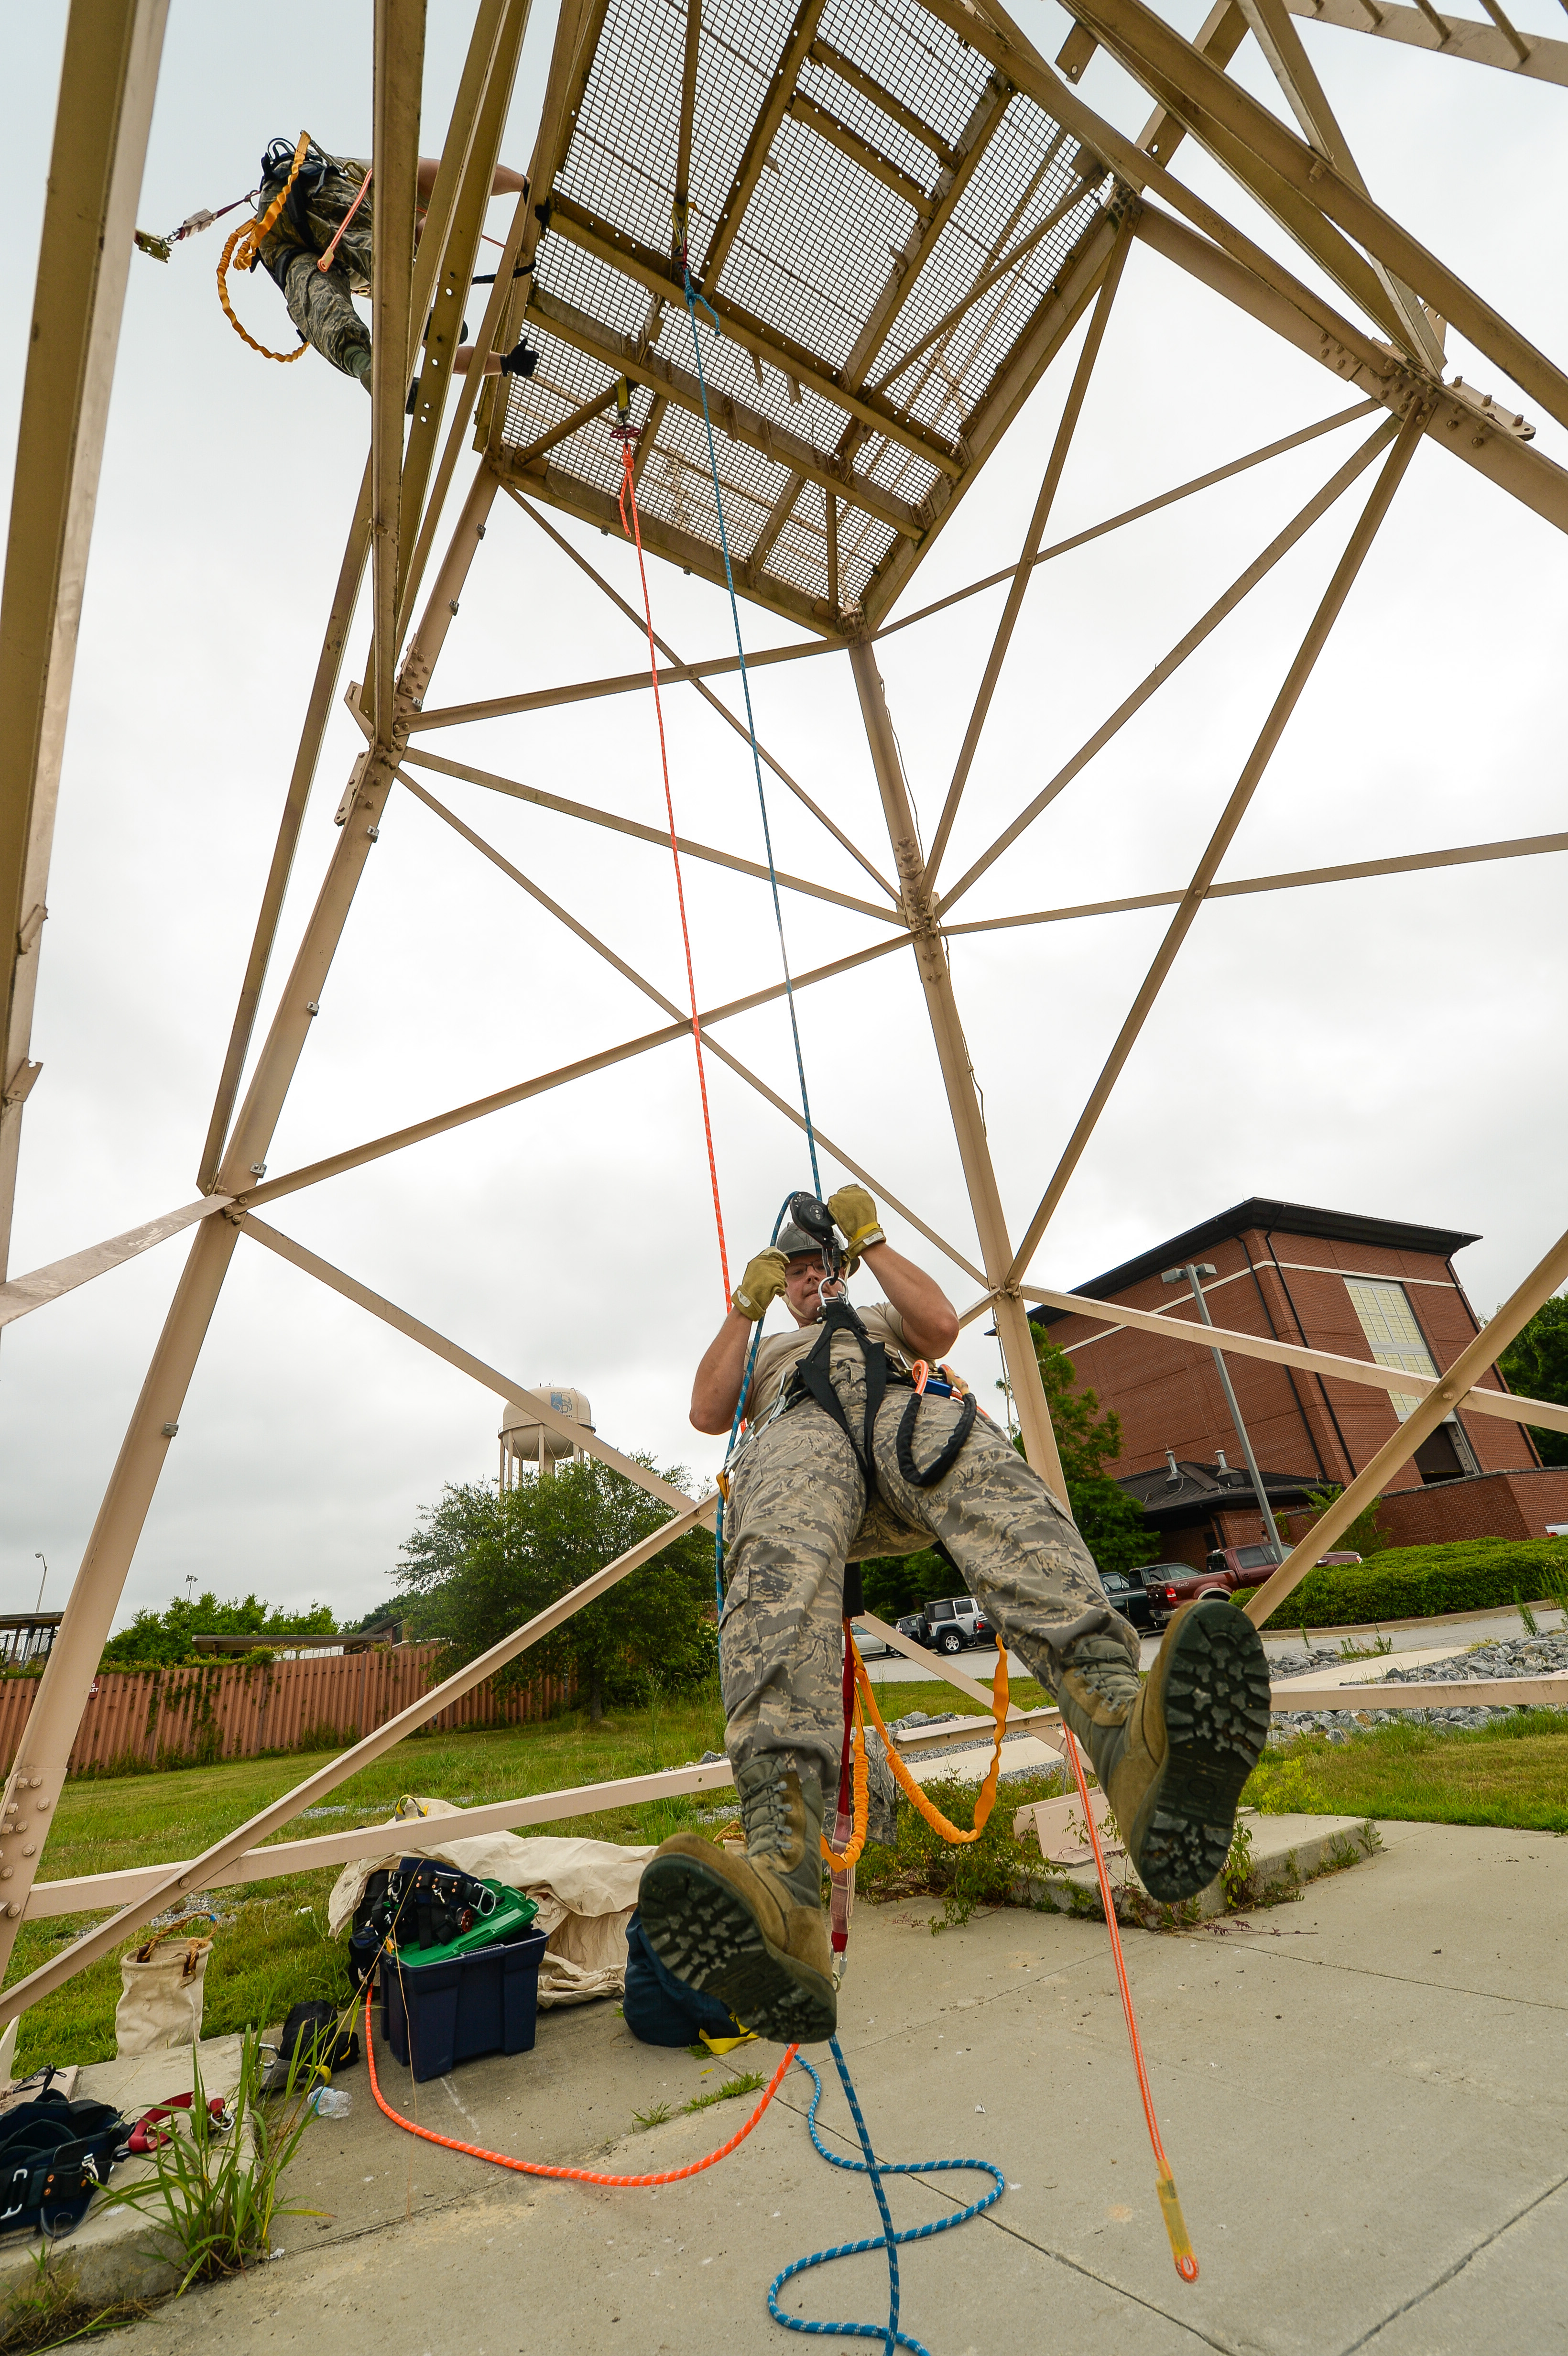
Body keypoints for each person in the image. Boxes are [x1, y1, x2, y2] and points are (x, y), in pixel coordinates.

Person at [636, 1186, 1271, 2045]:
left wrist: (873, 1242)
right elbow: (709, 1411)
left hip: (900, 1417)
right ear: (780, 1282)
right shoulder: (770, 1342)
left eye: (821, 1263)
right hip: (800, 1438)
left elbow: (937, 1326)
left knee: (995, 1480)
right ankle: (784, 1878)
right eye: (797, 1269)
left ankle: (1129, 1738)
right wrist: (744, 1309)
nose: (811, 1276)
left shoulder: (880, 1320)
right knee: (777, 1565)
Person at [248, 137, 535, 389]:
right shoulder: (397, 186)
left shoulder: (388, 285)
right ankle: (370, 357)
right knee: (374, 249)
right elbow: (469, 177)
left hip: (282, 246)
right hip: (309, 190)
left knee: (320, 302)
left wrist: (506, 363)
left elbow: (445, 356)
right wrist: (524, 185)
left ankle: (364, 365)